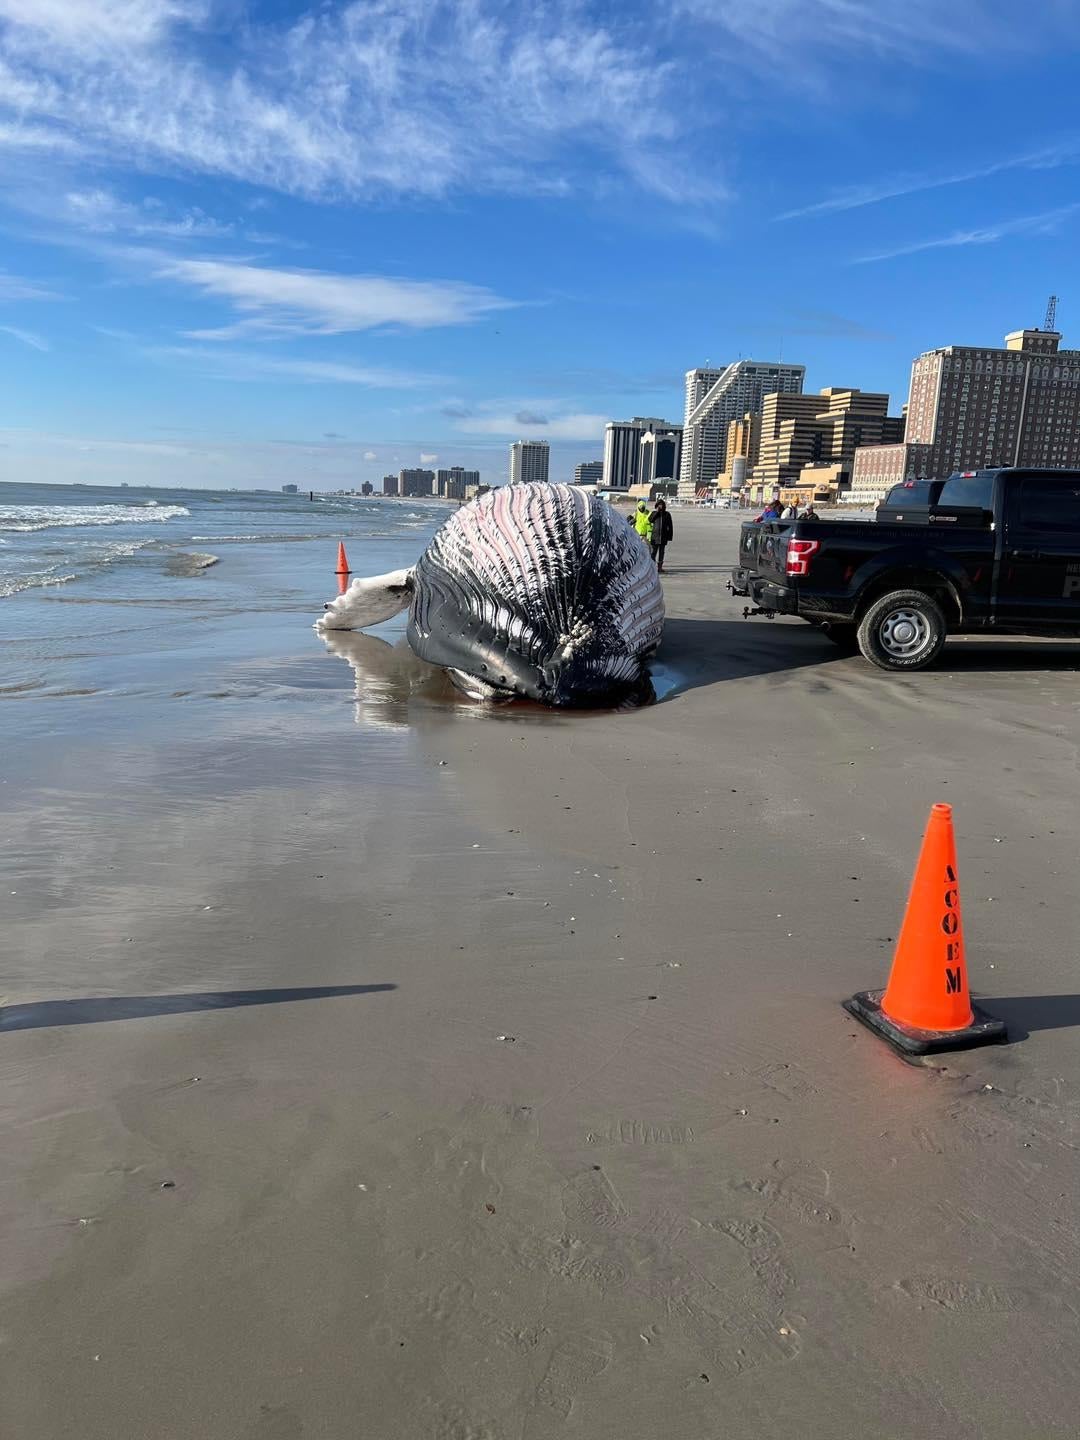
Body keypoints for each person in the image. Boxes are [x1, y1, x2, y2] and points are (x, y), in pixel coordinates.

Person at [648, 498, 674, 571]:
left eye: (662, 505)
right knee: (653, 552)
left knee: (661, 553)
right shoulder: (654, 513)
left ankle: (660, 567)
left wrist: (670, 536)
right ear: (656, 506)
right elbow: (650, 520)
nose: (660, 506)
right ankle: (652, 567)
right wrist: (657, 512)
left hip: (663, 537)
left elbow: (670, 526)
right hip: (655, 537)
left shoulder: (667, 514)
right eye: (659, 505)